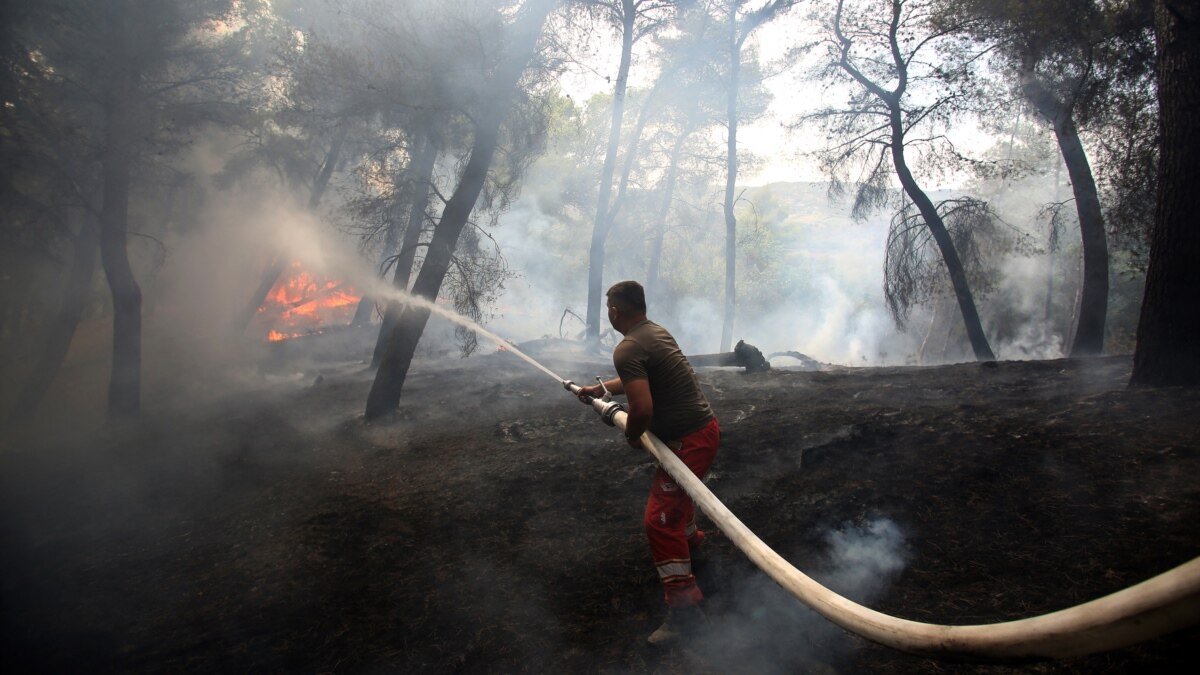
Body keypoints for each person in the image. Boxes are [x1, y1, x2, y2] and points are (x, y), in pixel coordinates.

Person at [577, 280, 721, 646]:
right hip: (703, 431)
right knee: (677, 504)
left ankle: (686, 614)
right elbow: (641, 378)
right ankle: (697, 555)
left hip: (688, 442)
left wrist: (631, 435)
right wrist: (603, 390)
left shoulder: (627, 347)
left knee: (659, 520)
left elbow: (642, 409)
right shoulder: (653, 333)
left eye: (608, 307)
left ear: (615, 311)